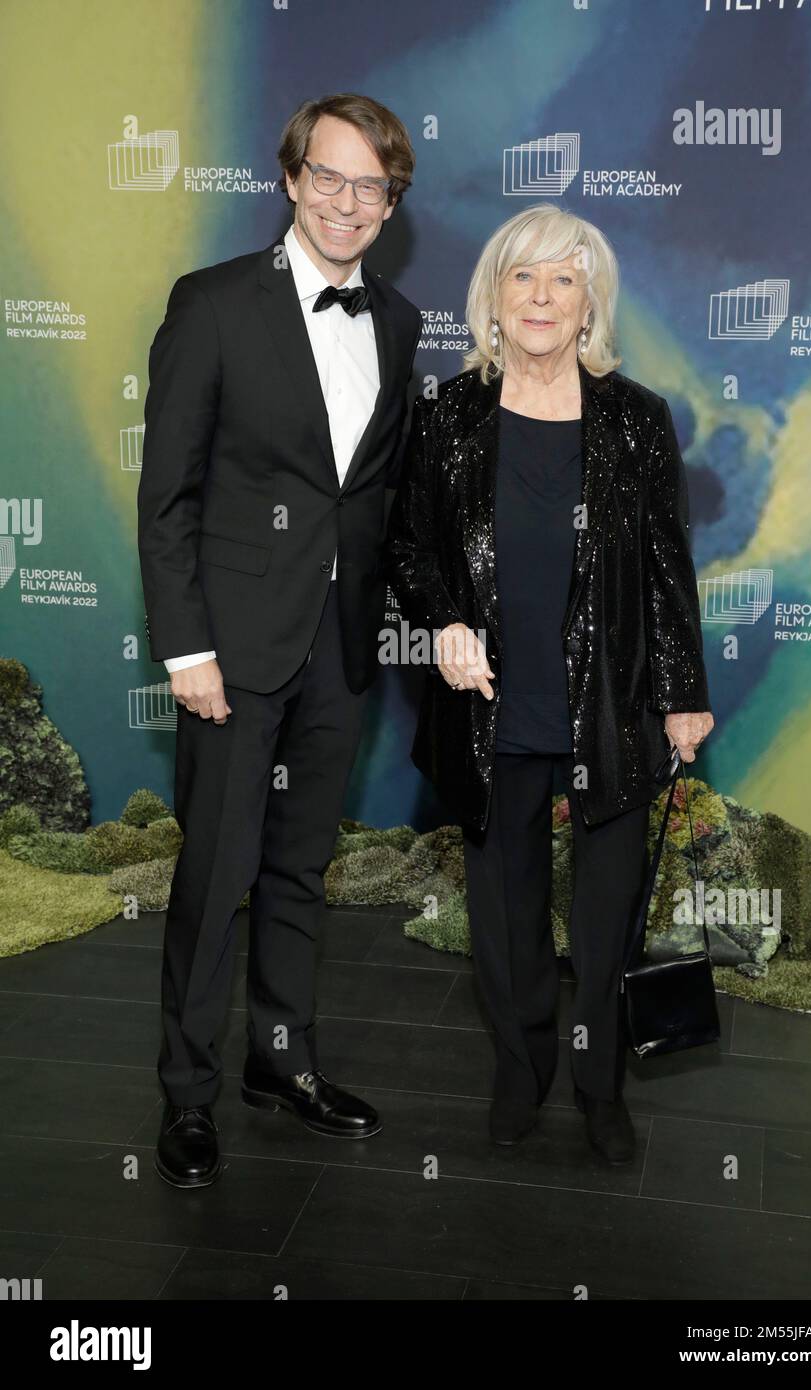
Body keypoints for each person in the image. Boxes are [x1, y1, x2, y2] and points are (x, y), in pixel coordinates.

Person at [384, 204, 714, 1165]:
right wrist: (443, 617)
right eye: (523, 277)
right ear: (493, 296)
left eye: (563, 280)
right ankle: (519, 1073)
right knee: (507, 917)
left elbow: (665, 569)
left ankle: (603, 1089)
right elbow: (407, 545)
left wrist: (682, 691)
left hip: (611, 708)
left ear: (588, 304)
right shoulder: (447, 416)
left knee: (607, 923)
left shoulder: (636, 420)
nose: (541, 297)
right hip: (492, 709)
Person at [137, 93, 422, 1188]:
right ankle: (187, 1094)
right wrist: (184, 648)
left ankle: (282, 1060)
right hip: (232, 652)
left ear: (390, 205)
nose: (350, 202)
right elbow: (169, 498)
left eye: (373, 187)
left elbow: (377, 500)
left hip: (341, 651)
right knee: (216, 875)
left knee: (301, 868)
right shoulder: (211, 305)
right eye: (331, 176)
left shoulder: (396, 326)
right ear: (292, 178)